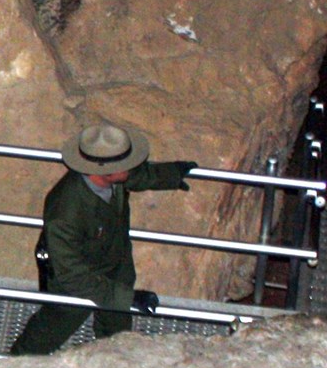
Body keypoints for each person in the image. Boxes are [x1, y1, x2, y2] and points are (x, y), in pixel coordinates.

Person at [11, 124, 197, 354]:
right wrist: (129, 297)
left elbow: (140, 176)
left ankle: (114, 363)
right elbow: (72, 274)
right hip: (74, 280)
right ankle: (15, 364)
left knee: (117, 331)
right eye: (125, 164)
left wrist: (174, 173)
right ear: (105, 172)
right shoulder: (65, 210)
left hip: (114, 265)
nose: (132, 167)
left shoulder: (114, 179)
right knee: (53, 326)